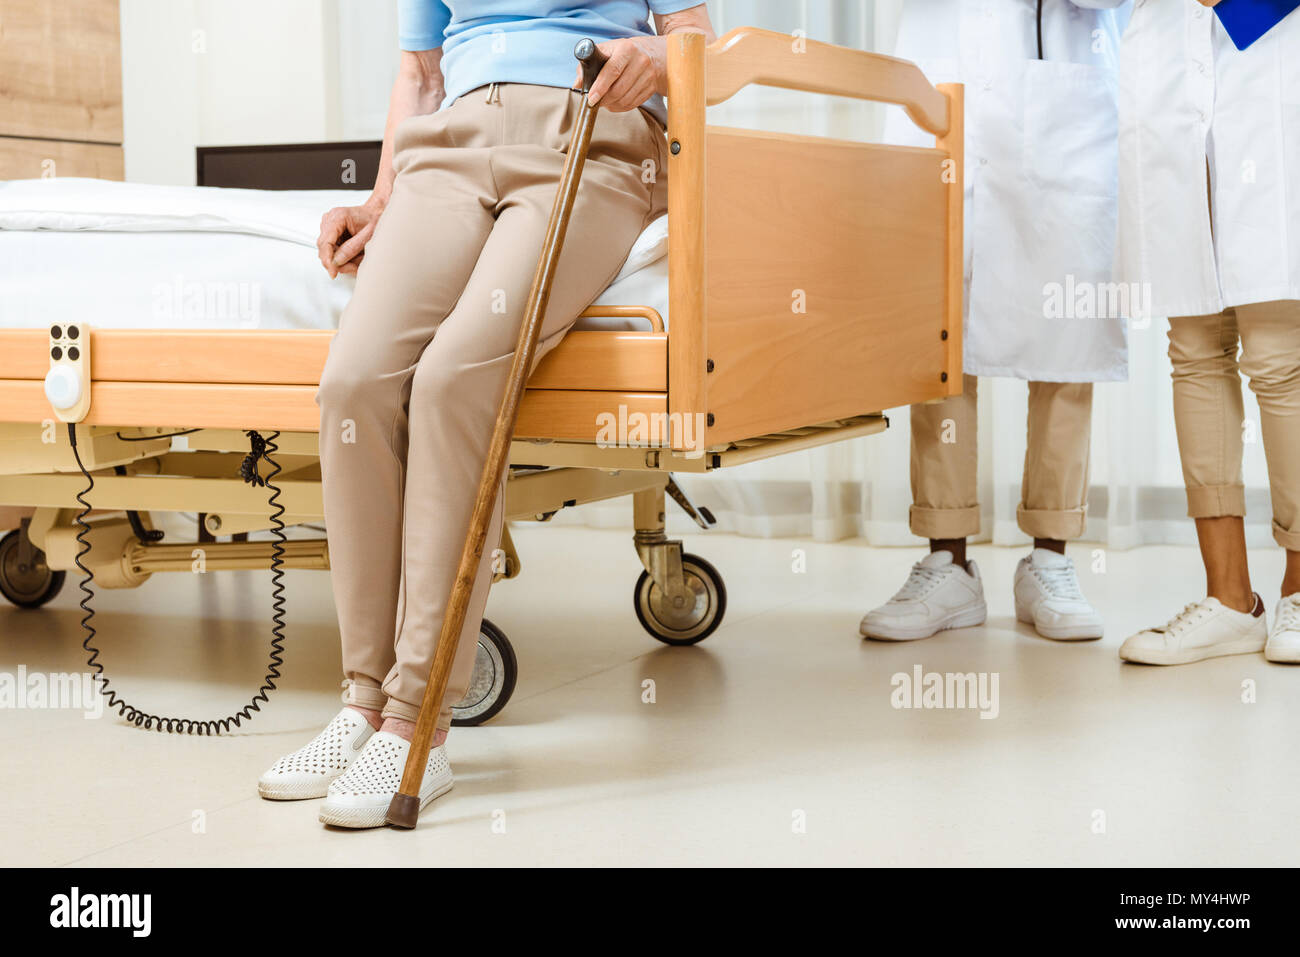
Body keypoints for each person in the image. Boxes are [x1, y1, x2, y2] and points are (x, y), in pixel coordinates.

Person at [256, 0, 716, 828]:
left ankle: (416, 722)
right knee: (354, 384)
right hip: (448, 151)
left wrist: (654, 60)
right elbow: (419, 71)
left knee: (452, 380)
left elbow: (695, 38)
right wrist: (381, 199)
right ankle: (363, 701)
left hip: (590, 135)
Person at [861, 0, 1131, 643]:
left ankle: (1051, 558)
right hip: (937, 89)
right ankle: (946, 560)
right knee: (938, 331)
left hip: (1062, 110)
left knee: (1067, 332)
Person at [1116, 0, 1300, 665]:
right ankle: (1229, 600)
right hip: (1167, 64)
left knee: (1278, 350)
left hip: (1274, 53)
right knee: (1193, 343)